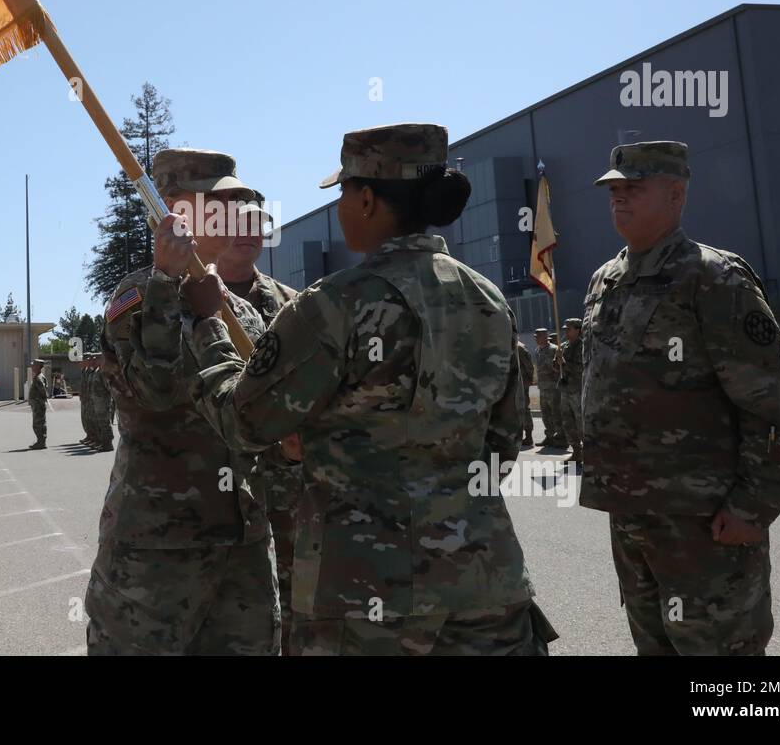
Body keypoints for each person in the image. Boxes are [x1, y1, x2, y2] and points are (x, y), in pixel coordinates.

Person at [182, 123, 554, 656]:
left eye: (342, 196)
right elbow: (503, 442)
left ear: (367, 199)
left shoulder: (332, 303)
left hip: (364, 595)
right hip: (482, 582)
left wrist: (207, 325)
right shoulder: (488, 299)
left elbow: (245, 421)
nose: (339, 210)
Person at [579, 141, 780, 656]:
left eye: (633, 188)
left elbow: (773, 405)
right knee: (654, 645)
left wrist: (754, 504)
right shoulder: (605, 280)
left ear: (676, 193)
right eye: (614, 190)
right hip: (633, 514)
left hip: (705, 521)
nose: (619, 199)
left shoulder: (712, 276)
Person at [85, 149, 278, 655]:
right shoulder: (137, 295)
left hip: (244, 538)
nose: (233, 214)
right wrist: (169, 284)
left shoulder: (241, 307)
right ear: (171, 209)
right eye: (217, 202)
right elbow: (153, 392)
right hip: (156, 546)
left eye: (237, 202)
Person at [214, 195, 303, 653]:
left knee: (296, 598)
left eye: (259, 224)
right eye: (239, 223)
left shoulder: (293, 303)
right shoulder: (192, 298)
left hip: (288, 489)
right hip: (216, 490)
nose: (251, 233)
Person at [531, 328, 563, 448]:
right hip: (543, 387)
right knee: (546, 414)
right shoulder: (537, 350)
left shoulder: (554, 349)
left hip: (553, 387)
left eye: (538, 336)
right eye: (535, 337)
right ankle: (549, 436)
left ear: (545, 336)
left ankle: (561, 437)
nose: (536, 339)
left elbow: (560, 368)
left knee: (556, 413)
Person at [559, 319, 584, 461]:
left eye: (569, 329)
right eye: (565, 329)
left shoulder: (583, 346)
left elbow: (580, 368)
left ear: (577, 329)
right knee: (568, 422)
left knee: (581, 422)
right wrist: (557, 362)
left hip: (578, 389)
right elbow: (557, 368)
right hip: (566, 389)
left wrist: (564, 363)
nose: (566, 332)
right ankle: (576, 451)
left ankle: (588, 451)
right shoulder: (563, 346)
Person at [85, 354, 115, 452]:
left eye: (96, 359)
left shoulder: (103, 372)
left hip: (103, 402)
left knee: (105, 422)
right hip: (96, 402)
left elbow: (109, 387)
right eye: (93, 359)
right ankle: (103, 442)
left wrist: (109, 400)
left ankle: (108, 444)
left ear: (102, 359)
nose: (94, 361)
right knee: (99, 423)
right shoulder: (96, 372)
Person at [516, 339, 536, 448]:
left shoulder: (519, 347)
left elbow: (529, 365)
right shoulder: (509, 345)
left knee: (524, 408)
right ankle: (519, 436)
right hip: (514, 383)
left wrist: (529, 379)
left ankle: (529, 436)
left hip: (522, 382)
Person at [27, 360, 48, 450]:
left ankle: (41, 442)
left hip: (38, 405)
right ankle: (40, 441)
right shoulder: (38, 376)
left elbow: (43, 391)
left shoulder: (39, 377)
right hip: (37, 404)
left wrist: (39, 400)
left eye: (34, 365)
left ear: (38, 366)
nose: (32, 367)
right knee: (38, 423)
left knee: (38, 423)